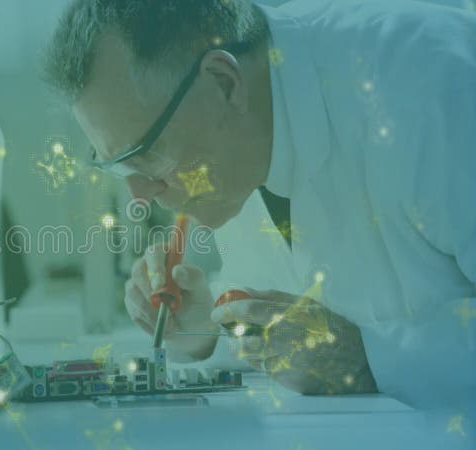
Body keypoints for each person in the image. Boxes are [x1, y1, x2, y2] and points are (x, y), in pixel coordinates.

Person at [42, 0, 475, 411]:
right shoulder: (235, 147)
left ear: (223, 83)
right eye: (120, 166)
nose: (140, 195)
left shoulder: (430, 86)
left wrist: (370, 357)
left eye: (148, 154)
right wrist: (207, 329)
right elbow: (320, 319)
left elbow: (360, 340)